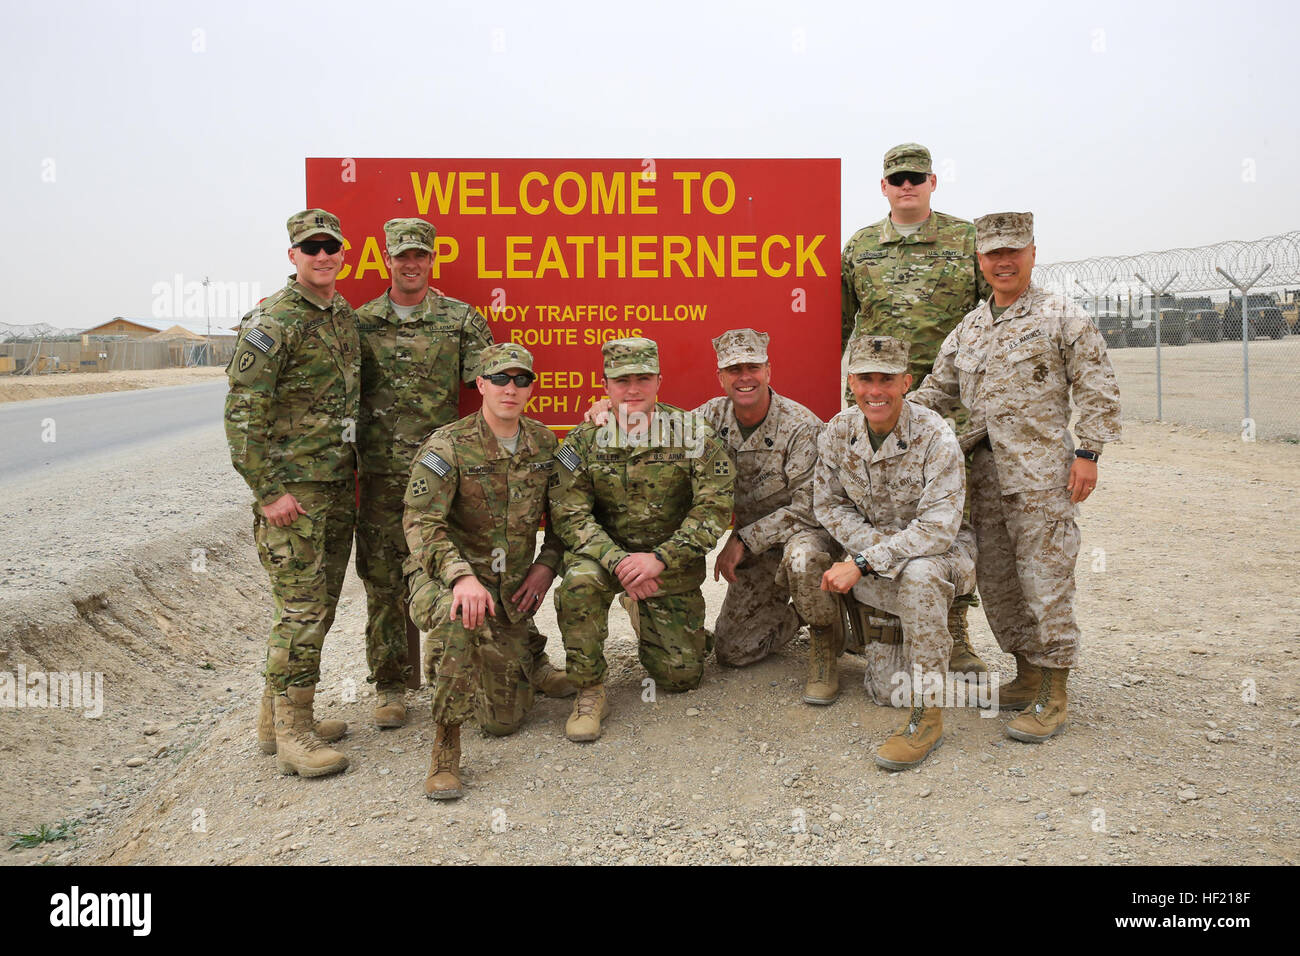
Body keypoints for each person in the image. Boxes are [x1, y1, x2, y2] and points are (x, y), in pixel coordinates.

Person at [912, 212, 1121, 744]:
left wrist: (1088, 452)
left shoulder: (1061, 315)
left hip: (1041, 479)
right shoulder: (972, 326)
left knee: (1046, 582)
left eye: (1014, 251)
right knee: (1000, 583)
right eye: (992, 255)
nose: (1003, 262)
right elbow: (938, 389)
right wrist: (889, 418)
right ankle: (1026, 672)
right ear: (981, 261)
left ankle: (1055, 691)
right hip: (982, 479)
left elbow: (1096, 384)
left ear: (1032, 252)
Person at [355, 218, 571, 729]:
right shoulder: (360, 323)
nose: (411, 264)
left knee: (501, 565)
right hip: (385, 475)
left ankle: (528, 657)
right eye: (402, 255)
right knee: (384, 580)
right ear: (387, 257)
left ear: (432, 260)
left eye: (420, 256)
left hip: (458, 472)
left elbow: (496, 378)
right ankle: (391, 682)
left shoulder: (459, 320)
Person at [582, 329, 842, 700]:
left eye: (752, 366)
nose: (744, 377)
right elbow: (655, 427)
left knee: (801, 559)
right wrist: (610, 407)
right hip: (756, 552)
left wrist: (741, 538)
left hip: (802, 536)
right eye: (733, 370)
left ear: (768, 370)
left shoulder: (801, 426)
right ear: (721, 377)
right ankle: (798, 613)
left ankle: (824, 636)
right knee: (734, 651)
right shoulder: (706, 418)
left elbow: (811, 507)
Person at [841, 142, 991, 676]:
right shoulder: (859, 247)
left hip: (947, 406)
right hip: (877, 404)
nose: (906, 186)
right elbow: (840, 326)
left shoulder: (966, 239)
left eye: (915, 178)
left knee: (949, 520)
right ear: (883, 186)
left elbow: (992, 312)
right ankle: (875, 621)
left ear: (932, 181)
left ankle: (956, 632)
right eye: (896, 179)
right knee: (877, 511)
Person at [225, 208, 359, 778]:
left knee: (317, 608)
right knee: (301, 612)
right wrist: (268, 492)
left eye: (331, 246)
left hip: (335, 488)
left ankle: (272, 720)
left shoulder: (341, 315)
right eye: (311, 248)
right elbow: (242, 414)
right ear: (293, 256)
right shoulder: (273, 321)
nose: (322, 256)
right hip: (293, 498)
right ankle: (294, 734)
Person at [550, 337, 734, 742]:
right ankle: (589, 687)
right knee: (577, 582)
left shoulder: (691, 433)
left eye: (643, 378)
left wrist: (661, 558)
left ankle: (646, 614)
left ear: (659, 382)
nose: (632, 389)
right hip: (603, 561)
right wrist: (618, 562)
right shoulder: (583, 440)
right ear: (605, 385)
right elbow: (569, 513)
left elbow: (714, 509)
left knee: (680, 677)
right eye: (622, 380)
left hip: (664, 565)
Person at [403, 344, 563, 798]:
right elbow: (420, 522)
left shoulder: (546, 444)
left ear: (531, 388)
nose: (510, 389)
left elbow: (567, 518)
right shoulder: (447, 445)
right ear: (481, 385)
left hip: (506, 589)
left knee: (503, 722)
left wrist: (545, 567)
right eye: (500, 379)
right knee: (461, 616)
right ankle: (445, 750)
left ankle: (523, 654)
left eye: (521, 380)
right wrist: (460, 576)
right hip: (442, 577)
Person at [816, 335, 977, 770]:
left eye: (886, 379)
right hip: (880, 559)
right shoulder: (838, 431)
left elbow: (937, 528)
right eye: (865, 378)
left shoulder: (935, 435)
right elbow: (828, 505)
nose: (875, 390)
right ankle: (879, 631)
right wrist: (873, 551)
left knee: (921, 574)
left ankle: (927, 717)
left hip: (940, 555)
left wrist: (866, 561)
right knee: (889, 692)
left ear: (906, 382)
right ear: (851, 382)